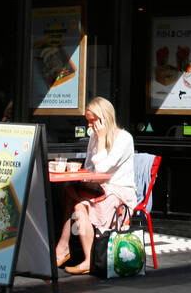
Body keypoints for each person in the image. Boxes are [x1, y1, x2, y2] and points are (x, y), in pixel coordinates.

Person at [56, 97, 138, 274]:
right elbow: (90, 167)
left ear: (104, 118)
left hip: (119, 192)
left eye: (93, 121)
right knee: (70, 190)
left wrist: (100, 141)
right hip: (99, 188)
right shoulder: (93, 136)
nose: (90, 126)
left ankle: (85, 258)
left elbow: (101, 169)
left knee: (79, 204)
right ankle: (64, 247)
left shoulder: (124, 139)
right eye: (88, 121)